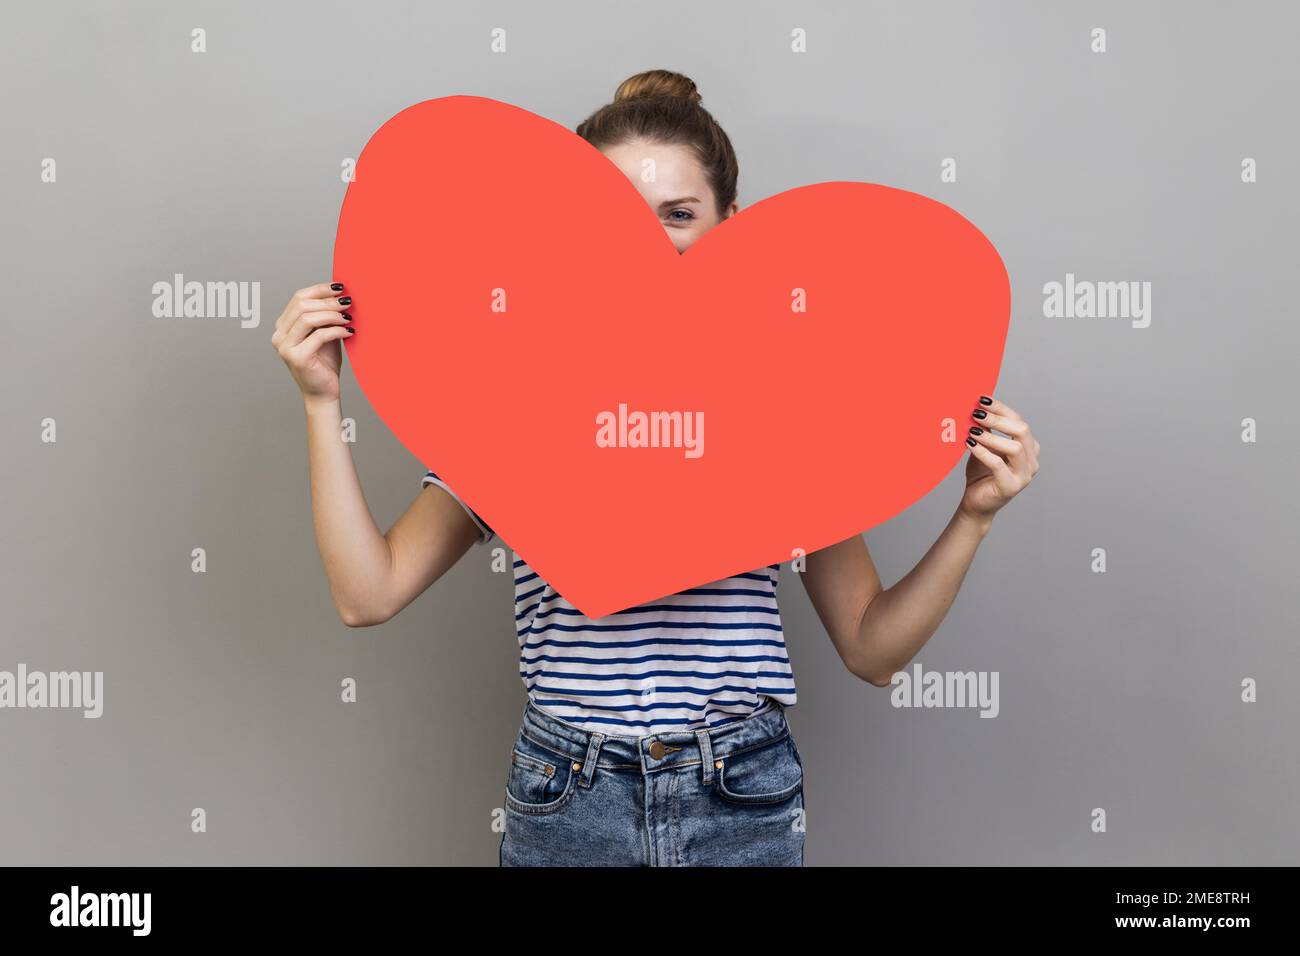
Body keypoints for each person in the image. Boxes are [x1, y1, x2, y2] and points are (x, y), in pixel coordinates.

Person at [271, 69, 1041, 866]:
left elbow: (872, 652)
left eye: (677, 214)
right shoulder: (507, 411)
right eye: (612, 218)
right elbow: (369, 595)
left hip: (742, 795)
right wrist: (322, 404)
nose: (647, 240)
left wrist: (973, 515)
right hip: (566, 795)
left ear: (732, 228)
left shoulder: (786, 420)